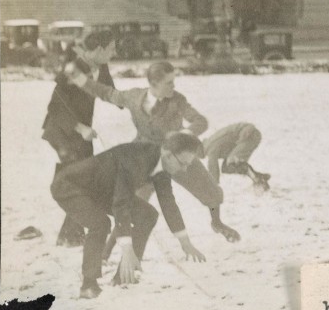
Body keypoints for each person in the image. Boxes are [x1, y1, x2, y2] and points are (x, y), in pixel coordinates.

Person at [68, 61, 243, 242]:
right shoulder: (133, 97)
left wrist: (182, 134)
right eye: (169, 83)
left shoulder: (177, 100)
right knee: (131, 202)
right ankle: (108, 250)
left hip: (177, 155)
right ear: (153, 84)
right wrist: (81, 80)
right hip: (145, 160)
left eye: (173, 81)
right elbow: (107, 93)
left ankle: (217, 223)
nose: (173, 86)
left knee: (211, 192)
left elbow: (200, 121)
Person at [51, 132, 208, 299]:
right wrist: (126, 247)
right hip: (70, 186)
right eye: (183, 164)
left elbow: (168, 203)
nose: (184, 169)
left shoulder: (161, 164)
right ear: (168, 154)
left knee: (147, 215)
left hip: (102, 189)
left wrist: (185, 243)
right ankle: (88, 284)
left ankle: (125, 275)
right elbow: (121, 204)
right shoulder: (136, 161)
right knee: (100, 224)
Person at [42, 31, 115, 247]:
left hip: (83, 133)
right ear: (99, 49)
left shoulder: (101, 67)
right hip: (62, 130)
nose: (114, 52)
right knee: (79, 176)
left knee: (83, 175)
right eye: (111, 48)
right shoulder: (73, 68)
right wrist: (80, 127)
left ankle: (70, 234)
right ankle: (69, 235)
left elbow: (110, 94)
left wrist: (136, 105)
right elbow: (55, 106)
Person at [203, 123, 271, 194]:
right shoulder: (210, 142)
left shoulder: (210, 148)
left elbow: (213, 167)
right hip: (247, 134)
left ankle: (259, 181)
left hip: (249, 134)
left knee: (232, 163)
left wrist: (214, 186)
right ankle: (260, 176)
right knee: (226, 168)